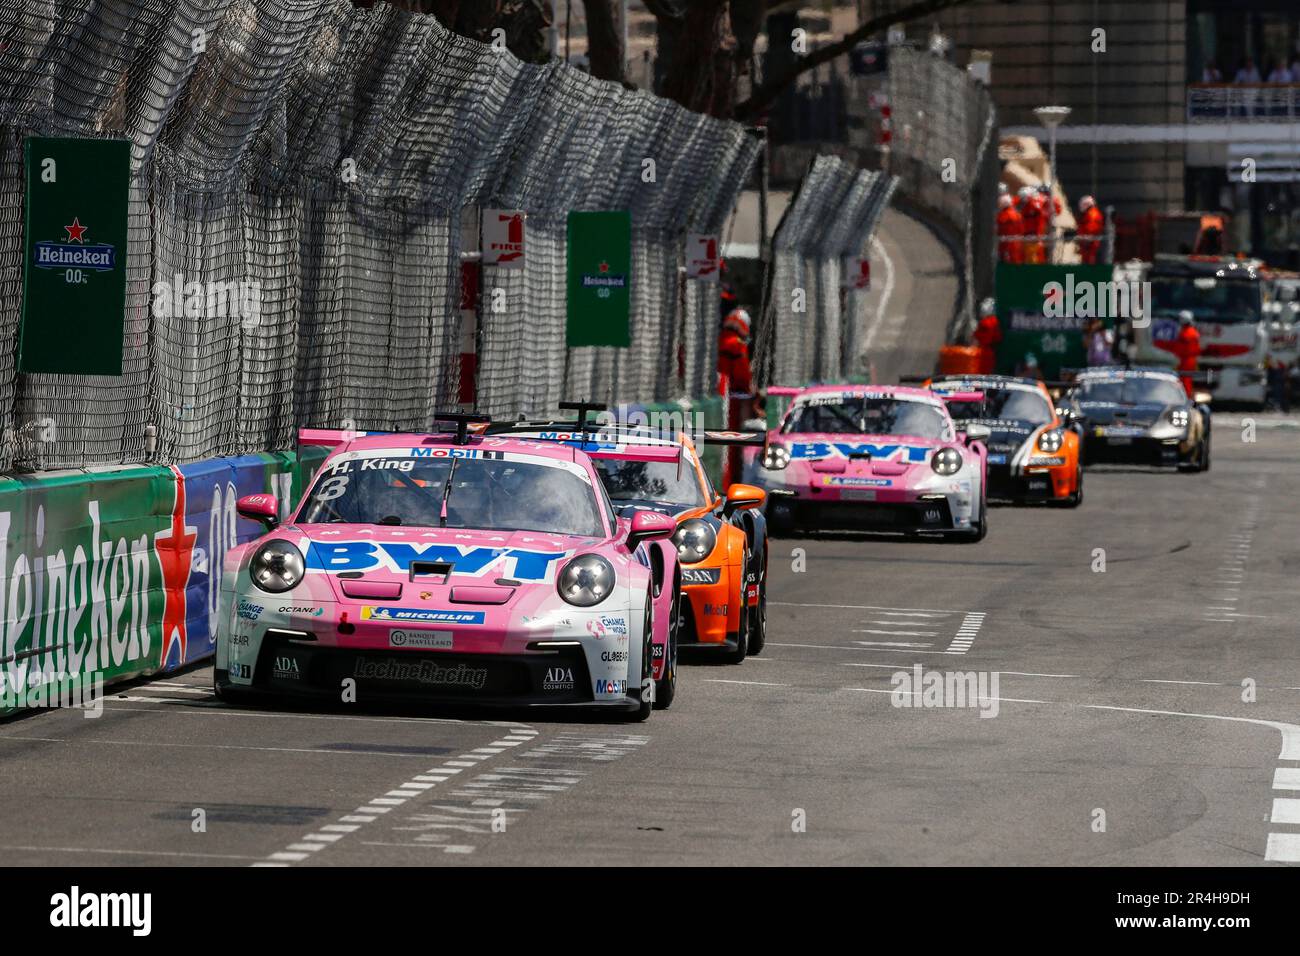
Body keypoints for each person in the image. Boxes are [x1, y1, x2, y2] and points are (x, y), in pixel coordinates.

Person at [718, 308, 753, 397]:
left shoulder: (717, 340)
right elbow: (742, 376)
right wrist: (749, 389)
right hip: (730, 393)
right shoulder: (738, 344)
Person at [1170, 310, 1201, 397]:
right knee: (1185, 379)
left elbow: (1181, 348)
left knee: (1185, 380)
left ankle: (1185, 397)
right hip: (1188, 359)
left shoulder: (1186, 333)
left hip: (1186, 360)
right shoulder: (1192, 332)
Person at [1076, 195, 1105, 264]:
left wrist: (1084, 238)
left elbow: (1091, 229)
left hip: (1091, 246)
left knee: (1090, 263)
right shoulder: (1089, 214)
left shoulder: (1092, 214)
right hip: (1087, 245)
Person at [996, 193, 1024, 263]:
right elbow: (1021, 229)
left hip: (1006, 244)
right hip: (1016, 242)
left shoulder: (1003, 215)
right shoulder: (1017, 214)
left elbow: (999, 229)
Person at [972, 309, 1002, 374]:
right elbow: (998, 337)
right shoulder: (994, 321)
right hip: (989, 349)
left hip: (984, 349)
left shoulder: (986, 323)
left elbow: (977, 335)